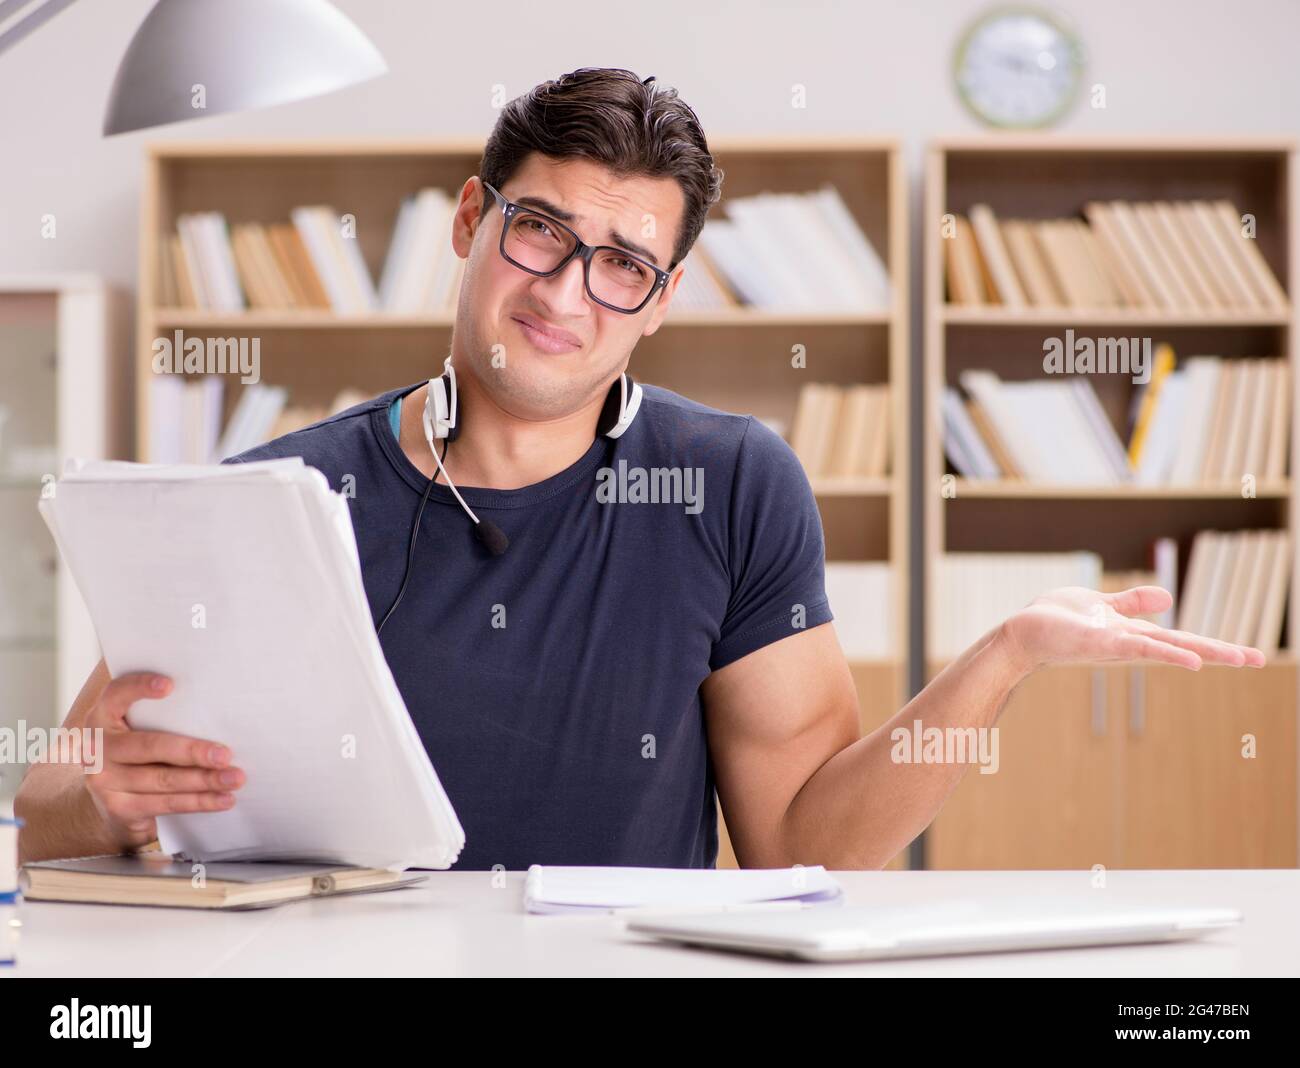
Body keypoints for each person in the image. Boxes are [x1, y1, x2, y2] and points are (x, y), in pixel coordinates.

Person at [16, 68, 1263, 870]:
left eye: (623, 264)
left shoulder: (732, 484)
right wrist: (109, 806)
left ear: (659, 302)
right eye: (541, 232)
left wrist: (999, 663)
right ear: (470, 221)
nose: (566, 294)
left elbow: (798, 843)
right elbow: (54, 798)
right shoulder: (269, 497)